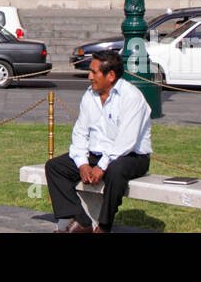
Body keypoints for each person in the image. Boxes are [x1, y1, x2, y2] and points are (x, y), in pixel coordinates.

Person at [45, 50, 152, 233]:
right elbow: (80, 132)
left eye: (94, 72)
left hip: (131, 156)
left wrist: (102, 166)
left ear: (111, 76)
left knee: (115, 171)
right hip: (97, 154)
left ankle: (103, 227)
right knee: (54, 167)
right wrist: (82, 164)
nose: (89, 76)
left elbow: (126, 141)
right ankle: (82, 222)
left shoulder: (132, 97)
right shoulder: (90, 95)